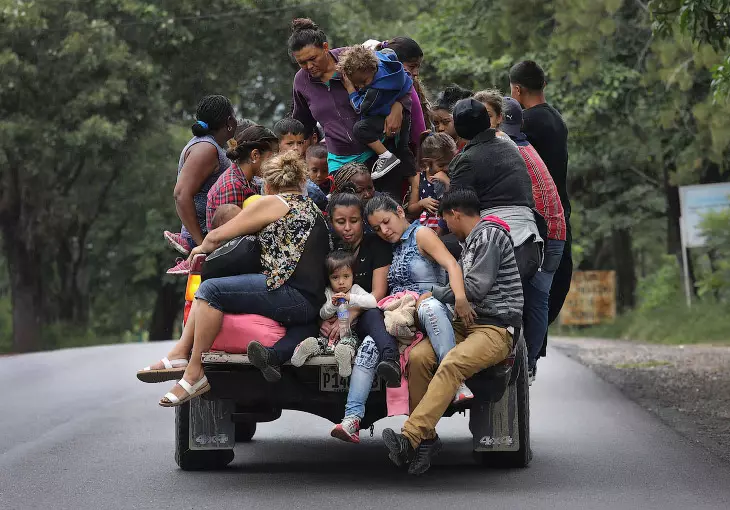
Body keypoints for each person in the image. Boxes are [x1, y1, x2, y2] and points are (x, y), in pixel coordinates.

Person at [138, 151, 330, 405]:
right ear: (302, 183)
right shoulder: (313, 210)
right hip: (309, 305)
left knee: (210, 290)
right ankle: (180, 354)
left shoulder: (273, 203)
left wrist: (197, 251)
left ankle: (194, 371)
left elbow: (217, 236)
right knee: (213, 289)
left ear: (269, 185)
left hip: (291, 296)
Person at [381, 188, 523, 475]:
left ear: (454, 214)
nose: (445, 227)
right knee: (419, 358)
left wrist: (430, 293)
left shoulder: (489, 235)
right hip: (465, 323)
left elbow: (475, 288)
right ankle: (428, 440)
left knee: (453, 362)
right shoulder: (471, 241)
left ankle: (410, 437)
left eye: (445, 220)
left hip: (495, 326)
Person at [365, 194, 476, 406]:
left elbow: (452, 265)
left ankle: (456, 381)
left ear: (399, 211)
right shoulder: (388, 248)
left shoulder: (421, 234)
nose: (384, 231)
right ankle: (354, 416)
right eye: (377, 229)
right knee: (370, 342)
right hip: (400, 314)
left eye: (386, 222)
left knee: (428, 306)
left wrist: (460, 298)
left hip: (432, 308)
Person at [288, 18, 415, 199]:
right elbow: (303, 125)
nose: (309, 66)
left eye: (312, 59)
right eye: (301, 63)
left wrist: (399, 106)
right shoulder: (301, 81)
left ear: (325, 48)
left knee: (386, 211)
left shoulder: (352, 59)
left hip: (380, 154)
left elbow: (399, 79)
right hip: (341, 163)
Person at [325, 192, 402, 442]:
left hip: (368, 310)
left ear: (363, 221)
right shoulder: (327, 246)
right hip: (331, 313)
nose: (347, 228)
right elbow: (319, 293)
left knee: (372, 317)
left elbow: (378, 294)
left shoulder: (375, 245)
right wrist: (325, 320)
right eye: (340, 221)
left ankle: (390, 359)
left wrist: (350, 313)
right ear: (331, 221)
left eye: (354, 221)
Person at [501, 96, 566, 379]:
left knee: (528, 297)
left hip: (543, 235)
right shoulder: (525, 144)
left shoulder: (508, 150)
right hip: (556, 232)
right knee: (538, 298)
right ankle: (530, 363)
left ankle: (522, 360)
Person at [509, 60, 572, 346]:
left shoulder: (527, 123)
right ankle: (532, 355)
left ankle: (528, 354)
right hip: (560, 213)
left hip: (538, 218)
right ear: (543, 85)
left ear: (517, 89)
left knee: (532, 290)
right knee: (546, 290)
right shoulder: (556, 119)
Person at [448, 98, 543, 284]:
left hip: (501, 248)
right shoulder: (509, 145)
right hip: (531, 243)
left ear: (458, 128)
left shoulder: (467, 160)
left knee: (435, 247)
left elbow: (454, 210)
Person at [164, 95, 236, 273]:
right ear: (229, 121)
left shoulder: (215, 146)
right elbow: (181, 195)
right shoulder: (206, 149)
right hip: (206, 239)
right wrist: (202, 243)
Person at [290, 250, 377, 376]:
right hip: (328, 336)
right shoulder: (328, 292)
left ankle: (344, 356)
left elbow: (372, 302)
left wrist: (351, 298)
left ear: (353, 276)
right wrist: (332, 305)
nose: (341, 282)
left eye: (346, 276)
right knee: (320, 343)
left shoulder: (355, 290)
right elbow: (322, 314)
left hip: (348, 334)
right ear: (329, 278)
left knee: (350, 343)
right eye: (335, 277)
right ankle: (308, 347)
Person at [338, 45, 413, 181]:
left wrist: (350, 88)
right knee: (404, 148)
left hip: (389, 115)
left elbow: (360, 107)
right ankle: (412, 173)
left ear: (371, 68)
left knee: (360, 128)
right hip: (403, 110)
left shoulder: (375, 89)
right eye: (357, 83)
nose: (362, 86)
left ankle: (385, 156)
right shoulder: (381, 59)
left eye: (363, 81)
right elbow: (390, 52)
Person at [204, 125, 278, 233]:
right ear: (255, 155)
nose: (275, 162)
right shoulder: (232, 186)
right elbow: (232, 237)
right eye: (272, 157)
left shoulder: (249, 180)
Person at [274, 117, 328, 210]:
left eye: (300, 143)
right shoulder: (271, 169)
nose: (296, 148)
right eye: (290, 144)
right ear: (277, 145)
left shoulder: (306, 168)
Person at [407, 132, 454, 232]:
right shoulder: (419, 178)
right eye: (441, 165)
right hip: (426, 230)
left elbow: (459, 200)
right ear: (427, 162)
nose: (446, 168)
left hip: (448, 229)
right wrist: (421, 204)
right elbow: (411, 209)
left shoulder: (453, 175)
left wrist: (447, 182)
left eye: (450, 163)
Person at [431, 85, 472, 150]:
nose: (440, 128)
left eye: (445, 122)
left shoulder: (470, 148)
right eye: (436, 123)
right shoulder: (434, 147)